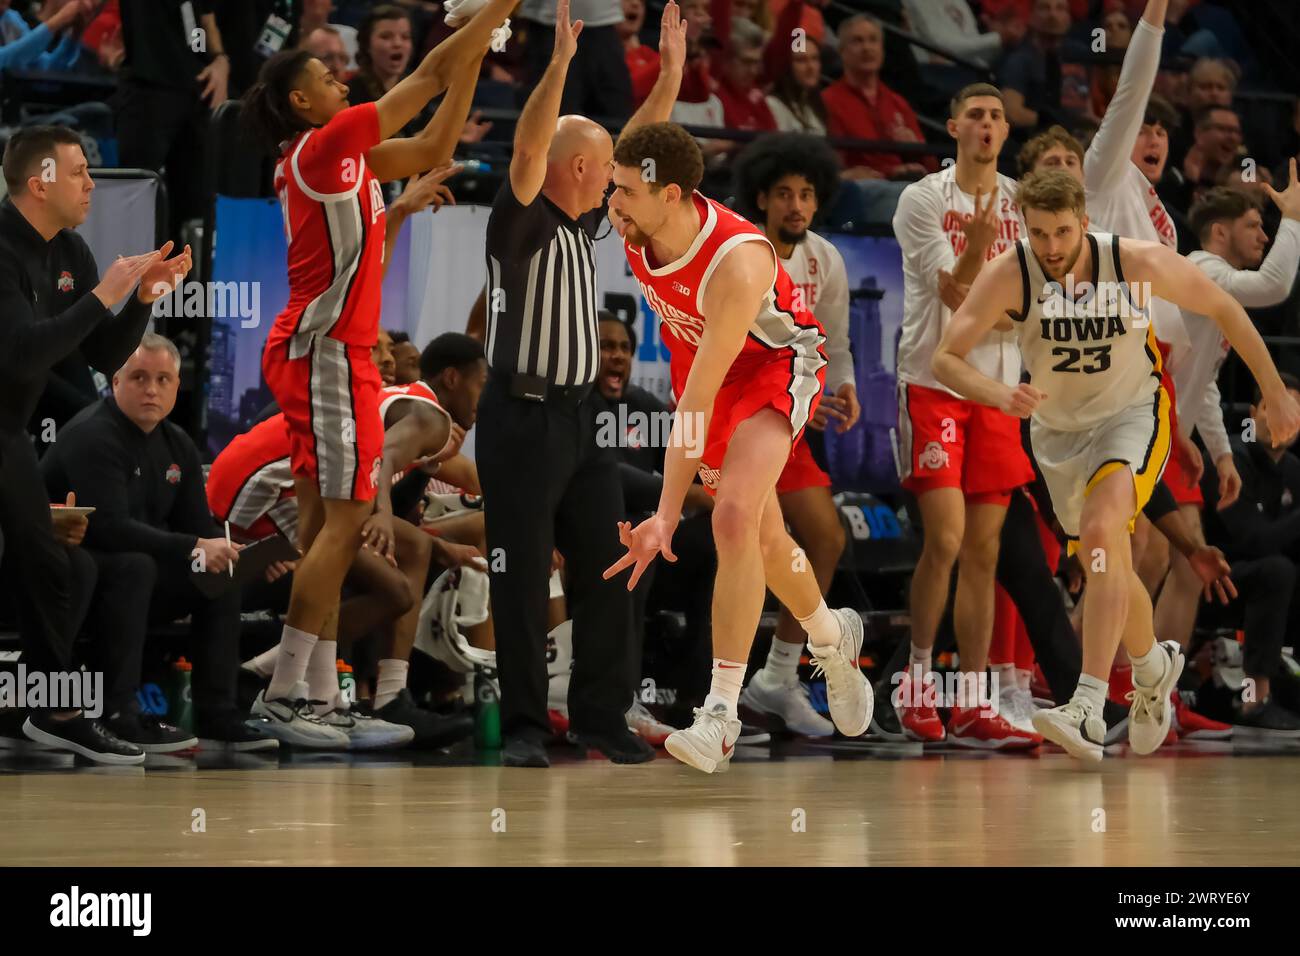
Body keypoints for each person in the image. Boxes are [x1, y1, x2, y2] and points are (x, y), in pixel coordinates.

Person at [933, 169, 1300, 762]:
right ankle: (1153, 664)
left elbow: (1226, 307)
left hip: (1133, 414)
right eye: (1038, 233)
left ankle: (1088, 705)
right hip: (1056, 432)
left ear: (1084, 220)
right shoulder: (1012, 272)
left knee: (1106, 532)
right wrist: (997, 394)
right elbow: (947, 356)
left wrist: (1274, 392)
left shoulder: (1133, 262)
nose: (1050, 247)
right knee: (1107, 560)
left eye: (1061, 232)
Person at [237, 0, 514, 748]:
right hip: (326, 349)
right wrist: (490, 17)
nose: (342, 79)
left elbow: (434, 141)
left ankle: (321, 695)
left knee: (331, 526)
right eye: (329, 75)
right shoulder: (324, 147)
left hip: (329, 350)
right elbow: (422, 78)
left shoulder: (343, 161)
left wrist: (479, 53)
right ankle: (286, 692)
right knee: (348, 524)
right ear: (304, 102)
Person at [603, 115, 873, 773]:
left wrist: (665, 513)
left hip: (773, 366)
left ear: (672, 196)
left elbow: (694, 404)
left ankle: (720, 714)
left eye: (624, 192)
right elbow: (696, 385)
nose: (612, 204)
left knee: (731, 517)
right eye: (611, 188)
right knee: (768, 544)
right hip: (706, 370)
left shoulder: (738, 259)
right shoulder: (638, 227)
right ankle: (832, 637)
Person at [477, 0, 686, 769]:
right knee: (524, 581)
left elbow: (636, 142)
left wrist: (667, 77)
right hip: (521, 418)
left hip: (580, 420)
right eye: (605, 169)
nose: (618, 179)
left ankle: (600, 716)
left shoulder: (589, 222)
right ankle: (529, 727)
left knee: (610, 566)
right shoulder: (523, 217)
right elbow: (531, 145)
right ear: (576, 169)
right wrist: (559, 65)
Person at [0, 126, 190, 764]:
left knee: (50, 567)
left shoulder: (69, 249)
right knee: (42, 567)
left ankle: (46, 709)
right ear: (39, 183)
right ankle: (43, 708)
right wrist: (104, 295)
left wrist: (141, 299)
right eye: (79, 172)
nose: (90, 183)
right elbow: (21, 355)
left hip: (7, 432)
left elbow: (101, 356)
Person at [41, 335, 278, 752]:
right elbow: (109, 527)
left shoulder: (176, 443)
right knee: (137, 565)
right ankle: (120, 712)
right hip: (77, 570)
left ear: (175, 386)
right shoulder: (93, 435)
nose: (151, 389)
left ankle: (217, 711)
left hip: (136, 572)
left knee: (219, 574)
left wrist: (227, 549)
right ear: (115, 382)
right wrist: (193, 546)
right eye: (139, 377)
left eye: (163, 379)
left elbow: (198, 526)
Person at [891, 83, 1038, 747]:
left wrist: (1006, 308)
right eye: (974, 114)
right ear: (952, 125)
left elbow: (1033, 306)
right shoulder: (923, 198)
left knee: (984, 549)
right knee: (945, 539)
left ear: (1007, 132)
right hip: (933, 380)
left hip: (998, 392)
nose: (985, 124)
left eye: (996, 116)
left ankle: (975, 702)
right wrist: (980, 251)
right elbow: (953, 292)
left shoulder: (1023, 204)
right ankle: (917, 684)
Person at [729, 133, 853, 738]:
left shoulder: (824, 259)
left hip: (792, 415)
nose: (796, 206)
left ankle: (776, 677)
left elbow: (835, 337)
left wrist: (843, 384)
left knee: (826, 538)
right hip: (742, 416)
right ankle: (720, 697)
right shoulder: (739, 252)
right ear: (762, 198)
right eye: (784, 194)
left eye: (806, 195)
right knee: (746, 546)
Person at [1152, 183, 1300, 645]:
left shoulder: (1212, 292)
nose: (1263, 236)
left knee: (1187, 567)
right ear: (1219, 231)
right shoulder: (1203, 269)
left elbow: (1206, 382)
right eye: (1254, 226)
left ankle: (1155, 694)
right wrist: (1292, 219)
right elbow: (1274, 285)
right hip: (1148, 429)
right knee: (1143, 563)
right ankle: (1096, 682)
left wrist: (1220, 454)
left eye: (1266, 227)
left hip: (1173, 438)